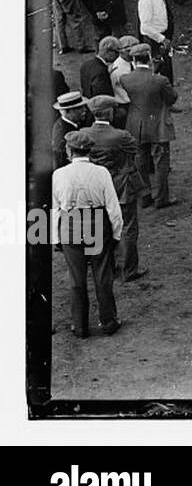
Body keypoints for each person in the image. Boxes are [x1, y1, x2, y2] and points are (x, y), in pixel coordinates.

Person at [53, 130, 123, 338]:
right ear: (89, 151)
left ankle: (80, 326)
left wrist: (56, 238)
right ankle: (108, 322)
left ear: (69, 151)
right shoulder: (101, 172)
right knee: (102, 276)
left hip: (70, 226)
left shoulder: (59, 175)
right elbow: (113, 207)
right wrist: (116, 233)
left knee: (76, 279)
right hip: (97, 225)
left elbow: (55, 210)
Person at [81, 94, 147, 283]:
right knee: (128, 228)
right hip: (121, 187)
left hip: (95, 188)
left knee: (101, 227)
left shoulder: (84, 133)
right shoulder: (121, 136)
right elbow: (134, 149)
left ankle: (107, 268)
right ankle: (129, 270)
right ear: (109, 112)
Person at [119, 43, 177, 208]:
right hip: (158, 125)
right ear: (149, 58)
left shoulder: (125, 79)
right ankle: (161, 197)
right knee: (161, 162)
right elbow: (172, 98)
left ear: (134, 60)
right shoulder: (160, 80)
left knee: (140, 161)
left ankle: (145, 195)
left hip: (136, 125)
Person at [137, 0, 175, 83]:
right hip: (153, 40)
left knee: (166, 69)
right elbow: (145, 26)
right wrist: (161, 39)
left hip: (163, 37)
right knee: (156, 69)